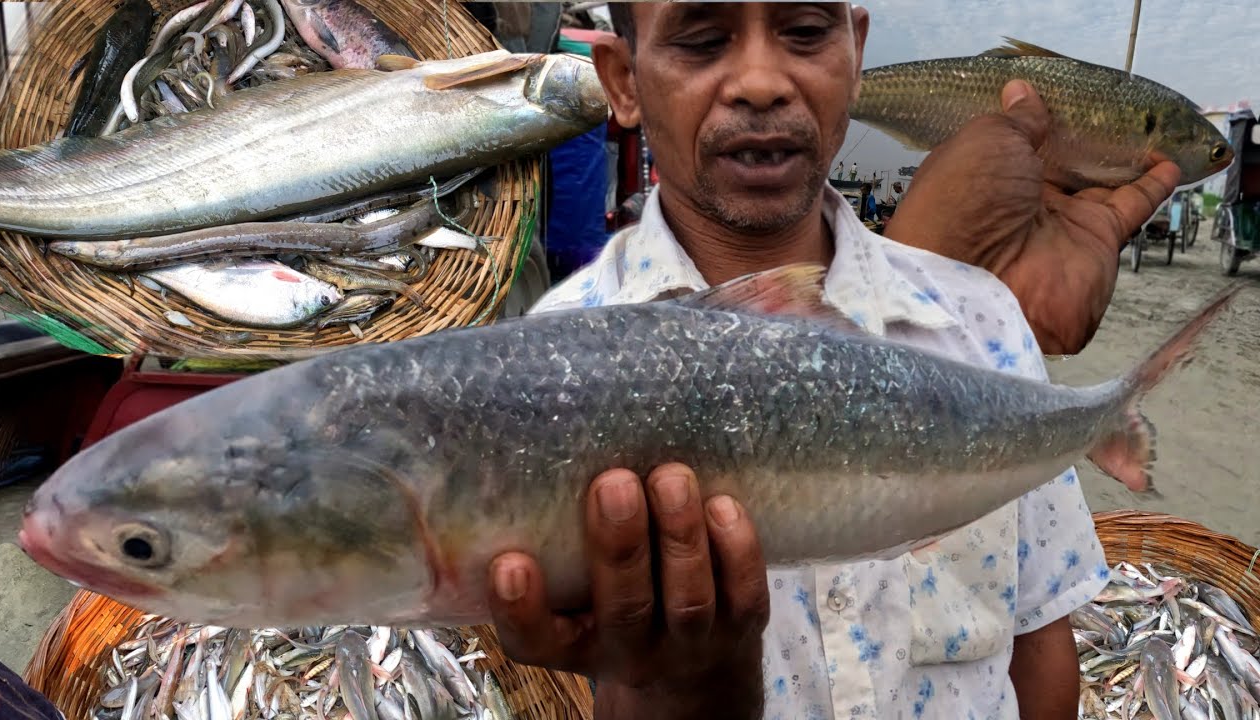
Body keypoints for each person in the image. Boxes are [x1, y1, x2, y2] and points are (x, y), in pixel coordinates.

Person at [481, 4, 1179, 719]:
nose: (760, 83)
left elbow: (1040, 643)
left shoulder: (983, 317)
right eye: (702, 40)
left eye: (806, 33)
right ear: (624, 81)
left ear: (855, 52)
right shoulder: (541, 377)